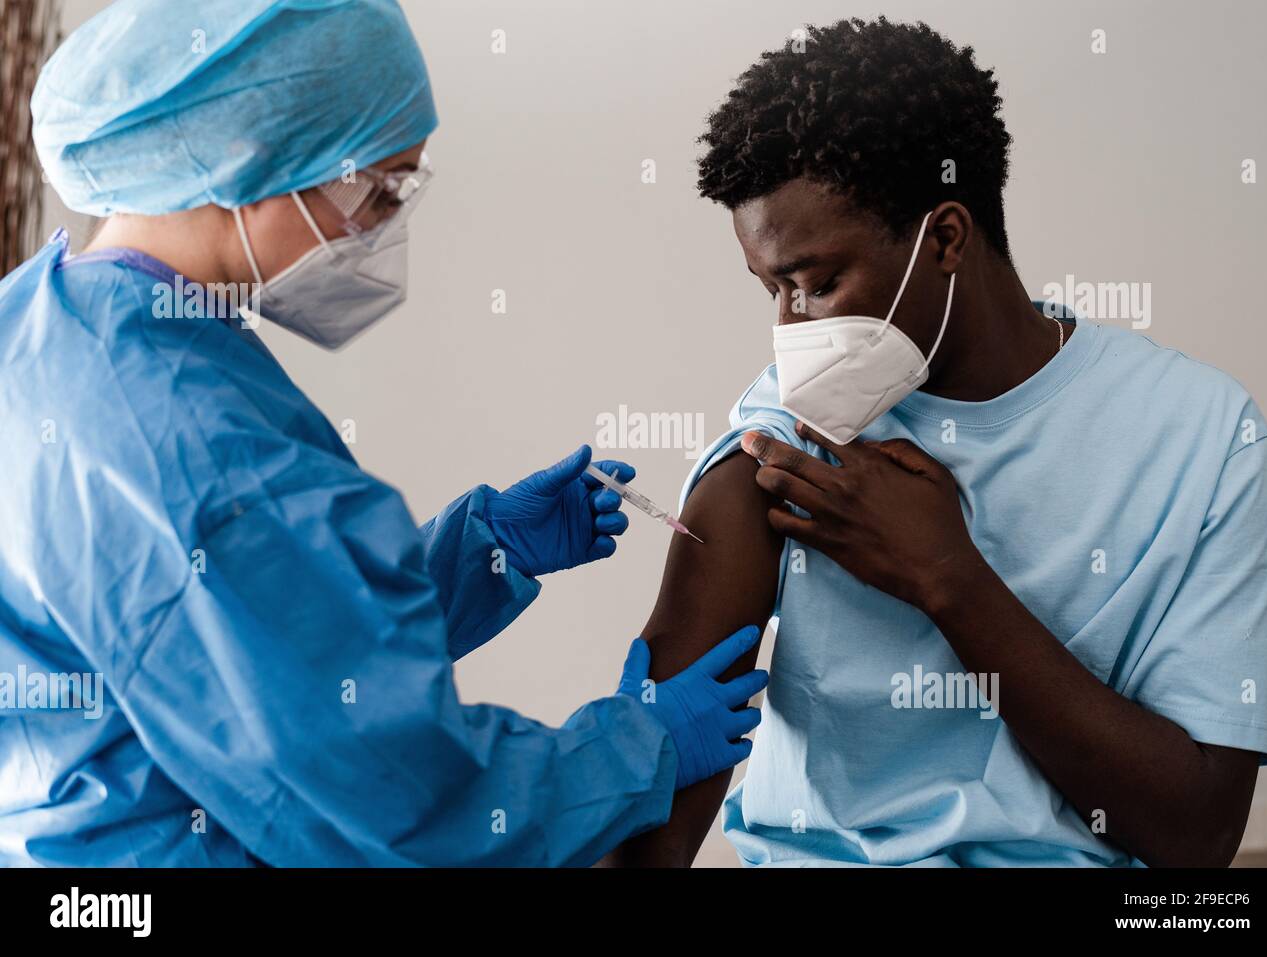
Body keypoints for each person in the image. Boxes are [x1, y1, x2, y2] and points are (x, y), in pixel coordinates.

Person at [0, 0, 766, 867]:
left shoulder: (47, 320)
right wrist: (638, 749)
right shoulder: (189, 437)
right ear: (254, 155)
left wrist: (483, 552)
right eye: (378, 189)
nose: (382, 229)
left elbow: (253, 641)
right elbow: (406, 806)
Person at [602, 17, 1267, 867]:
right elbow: (645, 837)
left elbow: (1196, 839)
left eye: (817, 284)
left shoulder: (1204, 436)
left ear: (946, 237)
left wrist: (949, 579)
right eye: (770, 289)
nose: (788, 329)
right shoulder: (782, 441)